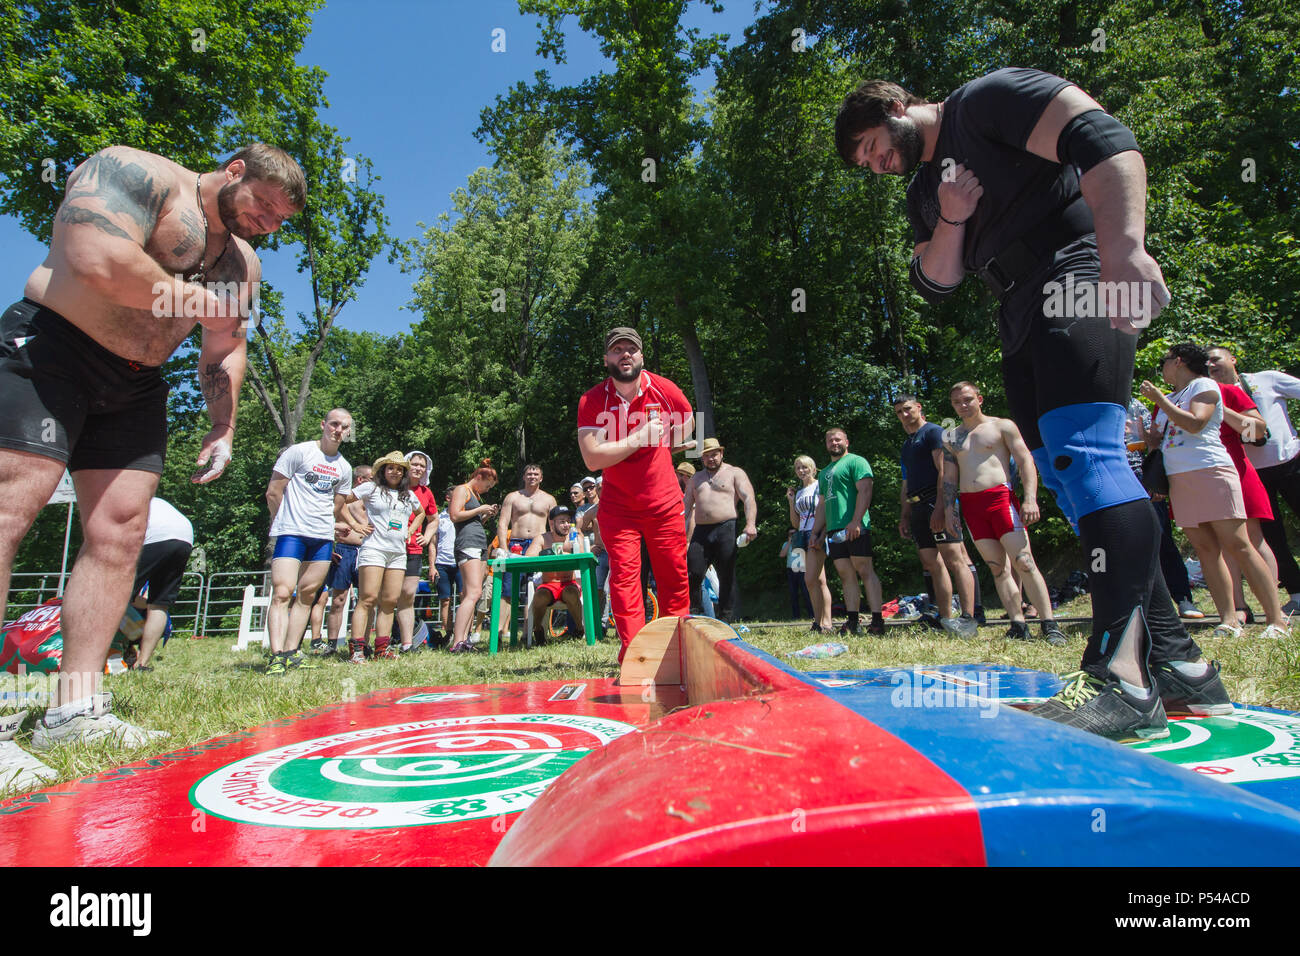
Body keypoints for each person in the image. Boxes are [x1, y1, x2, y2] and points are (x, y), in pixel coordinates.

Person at [835, 67, 1223, 737]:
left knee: (1087, 459)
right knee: (1077, 484)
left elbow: (1102, 137)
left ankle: (1121, 680)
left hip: (1078, 267)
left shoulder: (985, 101)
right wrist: (952, 214)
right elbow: (937, 280)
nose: (877, 165)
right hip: (1016, 308)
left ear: (895, 106)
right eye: (867, 164)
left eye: (873, 146)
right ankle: (1181, 663)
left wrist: (1123, 246)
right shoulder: (925, 192)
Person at [0, 143, 303, 769]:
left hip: (137, 382)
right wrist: (196, 303)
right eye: (264, 206)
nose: (268, 224)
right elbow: (94, 256)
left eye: (280, 220)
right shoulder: (139, 173)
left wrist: (224, 425)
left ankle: (74, 710)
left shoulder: (243, 264)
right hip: (53, 348)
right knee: (10, 509)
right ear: (235, 171)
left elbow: (224, 347)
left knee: (119, 533)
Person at [1140, 344, 1288, 638]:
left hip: (1213, 470)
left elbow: (1200, 424)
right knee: (1206, 550)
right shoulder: (1168, 398)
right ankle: (1230, 619)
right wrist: (1148, 437)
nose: (1162, 368)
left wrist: (1160, 400)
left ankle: (1276, 620)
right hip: (1180, 478)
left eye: (1165, 361)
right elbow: (1164, 440)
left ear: (1179, 361)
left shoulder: (1206, 386)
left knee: (1241, 545)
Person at [577, 327, 692, 661]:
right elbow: (592, 458)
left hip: (665, 502)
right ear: (606, 359)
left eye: (631, 349)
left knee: (673, 576)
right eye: (616, 350)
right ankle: (635, 655)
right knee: (624, 580)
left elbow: (689, 423)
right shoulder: (592, 399)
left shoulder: (665, 389)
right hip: (618, 507)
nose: (624, 354)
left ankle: (677, 651)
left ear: (641, 356)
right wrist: (640, 438)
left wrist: (670, 440)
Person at [943, 383, 1066, 645]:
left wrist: (1030, 499)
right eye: (956, 402)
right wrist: (948, 511)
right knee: (997, 567)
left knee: (1024, 561)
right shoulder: (951, 437)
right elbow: (950, 477)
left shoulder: (1002, 426)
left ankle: (1049, 624)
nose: (962, 405)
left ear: (979, 399)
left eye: (967, 399)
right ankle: (1017, 624)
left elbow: (1025, 461)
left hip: (999, 499)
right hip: (971, 505)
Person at [1206, 346, 1300, 615]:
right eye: (1206, 362)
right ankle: (1296, 593)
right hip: (1250, 473)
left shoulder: (1266, 379)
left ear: (1232, 358)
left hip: (1291, 461)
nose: (1211, 364)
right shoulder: (1210, 397)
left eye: (1215, 358)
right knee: (1272, 539)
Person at [264, 410, 353, 674]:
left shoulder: (344, 467)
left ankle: (292, 651)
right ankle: (276, 655)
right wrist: (280, 521)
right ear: (324, 425)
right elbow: (273, 492)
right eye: (334, 424)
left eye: (344, 427)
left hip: (322, 537)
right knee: (282, 592)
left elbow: (335, 506)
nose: (338, 430)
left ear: (348, 432)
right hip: (291, 532)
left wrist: (332, 527)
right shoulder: (299, 452)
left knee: (306, 596)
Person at [893, 396, 979, 637]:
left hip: (936, 501)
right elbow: (906, 481)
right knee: (932, 562)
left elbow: (945, 471)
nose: (904, 415)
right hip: (917, 506)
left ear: (919, 408)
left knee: (954, 558)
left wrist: (942, 507)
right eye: (899, 412)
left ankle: (969, 618)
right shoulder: (907, 444)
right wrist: (905, 514)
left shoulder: (933, 432)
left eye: (907, 409)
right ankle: (945, 618)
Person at [337, 452, 425, 662]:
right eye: (390, 468)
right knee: (367, 598)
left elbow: (421, 512)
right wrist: (355, 525)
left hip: (397, 552)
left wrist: (412, 529)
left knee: (389, 601)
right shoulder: (371, 488)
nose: (395, 472)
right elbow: (341, 501)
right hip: (374, 549)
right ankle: (357, 649)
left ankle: (382, 649)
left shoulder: (408, 495)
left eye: (399, 469)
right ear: (383, 470)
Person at [1123, 400, 1201, 619]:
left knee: (1162, 540)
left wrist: (1156, 480)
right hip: (1112, 482)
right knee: (1123, 545)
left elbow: (1156, 444)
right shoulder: (1093, 405)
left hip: (1142, 477)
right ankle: (1136, 605)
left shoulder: (1135, 405)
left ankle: (1183, 598)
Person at [808, 427, 884, 636]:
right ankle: (853, 621)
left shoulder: (856, 462)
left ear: (847, 442)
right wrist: (816, 532)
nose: (834, 443)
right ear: (826, 445)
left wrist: (856, 521)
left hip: (855, 526)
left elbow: (865, 490)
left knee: (864, 570)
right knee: (845, 574)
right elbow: (822, 505)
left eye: (838, 439)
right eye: (830, 441)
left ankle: (877, 621)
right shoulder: (824, 473)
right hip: (834, 530)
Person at [683, 438, 757, 621]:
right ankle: (696, 612)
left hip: (726, 527)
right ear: (702, 458)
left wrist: (750, 524)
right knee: (693, 571)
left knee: (726, 573)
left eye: (714, 454)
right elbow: (684, 509)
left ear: (721, 453)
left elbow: (749, 498)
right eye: (707, 456)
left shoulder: (734, 473)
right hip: (701, 531)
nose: (711, 459)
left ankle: (726, 616)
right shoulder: (696, 479)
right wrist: (675, 533)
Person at [128, 497, 194, 670]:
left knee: (118, 597)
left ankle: (105, 653)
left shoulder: (120, 498)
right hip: (185, 535)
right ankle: (142, 664)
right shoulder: (150, 498)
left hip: (155, 534)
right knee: (159, 604)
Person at [495, 464, 557, 641]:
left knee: (536, 588)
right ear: (523, 477)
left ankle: (529, 631)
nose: (532, 476)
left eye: (536, 473)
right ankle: (498, 632)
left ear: (541, 478)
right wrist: (503, 549)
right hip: (516, 544)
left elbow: (555, 525)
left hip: (539, 545)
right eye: (529, 473)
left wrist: (553, 547)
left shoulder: (549, 500)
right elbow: (502, 523)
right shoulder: (513, 497)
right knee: (507, 589)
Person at [315, 464, 371, 654]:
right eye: (371, 478)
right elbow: (326, 520)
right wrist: (330, 547)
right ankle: (332, 644)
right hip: (344, 550)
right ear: (360, 480)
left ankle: (363, 643)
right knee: (338, 599)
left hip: (366, 551)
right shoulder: (343, 501)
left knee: (367, 599)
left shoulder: (374, 499)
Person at [447, 460, 499, 653]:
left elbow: (469, 520)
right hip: (467, 544)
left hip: (478, 544)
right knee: (473, 593)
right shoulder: (462, 490)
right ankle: (457, 641)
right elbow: (455, 515)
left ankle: (464, 638)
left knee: (472, 593)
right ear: (478, 477)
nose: (487, 489)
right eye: (487, 485)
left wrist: (485, 516)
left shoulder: (475, 495)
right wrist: (479, 509)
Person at [524, 506, 588, 644]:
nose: (566, 525)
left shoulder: (575, 537)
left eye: (568, 521)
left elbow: (582, 557)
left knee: (571, 592)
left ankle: (579, 628)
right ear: (552, 523)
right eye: (562, 521)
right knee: (540, 596)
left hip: (568, 583)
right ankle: (538, 629)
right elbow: (529, 556)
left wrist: (570, 549)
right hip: (548, 584)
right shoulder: (542, 538)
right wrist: (548, 554)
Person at [395, 450, 438, 652]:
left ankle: (407, 644)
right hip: (388, 547)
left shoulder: (425, 493)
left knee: (408, 595)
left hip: (412, 549)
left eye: (422, 465)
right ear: (406, 465)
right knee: (382, 597)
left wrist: (427, 536)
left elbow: (434, 519)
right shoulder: (393, 486)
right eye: (415, 464)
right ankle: (378, 643)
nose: (418, 468)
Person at [790, 454, 833, 633]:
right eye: (798, 468)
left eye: (805, 467)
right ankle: (822, 622)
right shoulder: (799, 492)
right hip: (803, 534)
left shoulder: (819, 486)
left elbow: (825, 510)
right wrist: (791, 502)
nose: (801, 471)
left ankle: (822, 622)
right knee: (819, 580)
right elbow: (795, 522)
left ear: (813, 469)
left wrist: (821, 533)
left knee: (810, 579)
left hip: (817, 532)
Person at [432, 484, 461, 645]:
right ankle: (449, 633)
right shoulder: (438, 518)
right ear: (448, 498)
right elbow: (432, 543)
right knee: (445, 599)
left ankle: (465, 633)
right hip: (442, 563)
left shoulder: (464, 515)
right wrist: (431, 565)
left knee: (466, 597)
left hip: (461, 561)